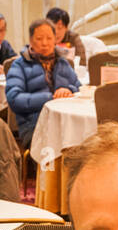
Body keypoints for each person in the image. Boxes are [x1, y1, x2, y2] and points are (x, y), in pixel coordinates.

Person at [5, 17, 80, 148]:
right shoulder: (20, 65)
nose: (45, 43)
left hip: (66, 123)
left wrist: (68, 90)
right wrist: (50, 98)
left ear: (55, 40)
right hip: (35, 125)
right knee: (59, 146)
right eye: (39, 39)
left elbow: (80, 89)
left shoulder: (63, 62)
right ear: (31, 41)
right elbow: (14, 98)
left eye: (49, 38)